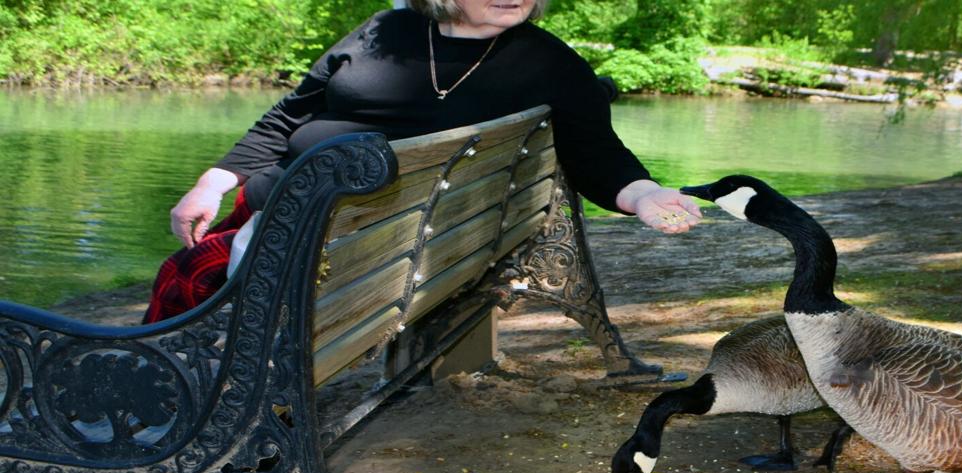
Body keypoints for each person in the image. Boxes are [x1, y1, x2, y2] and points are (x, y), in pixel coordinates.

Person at [148, 0, 701, 323]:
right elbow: (290, 115)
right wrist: (213, 182)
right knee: (190, 276)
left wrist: (644, 194)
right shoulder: (383, 31)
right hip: (292, 206)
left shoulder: (549, 63)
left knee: (186, 279)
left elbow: (596, 153)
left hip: (340, 234)